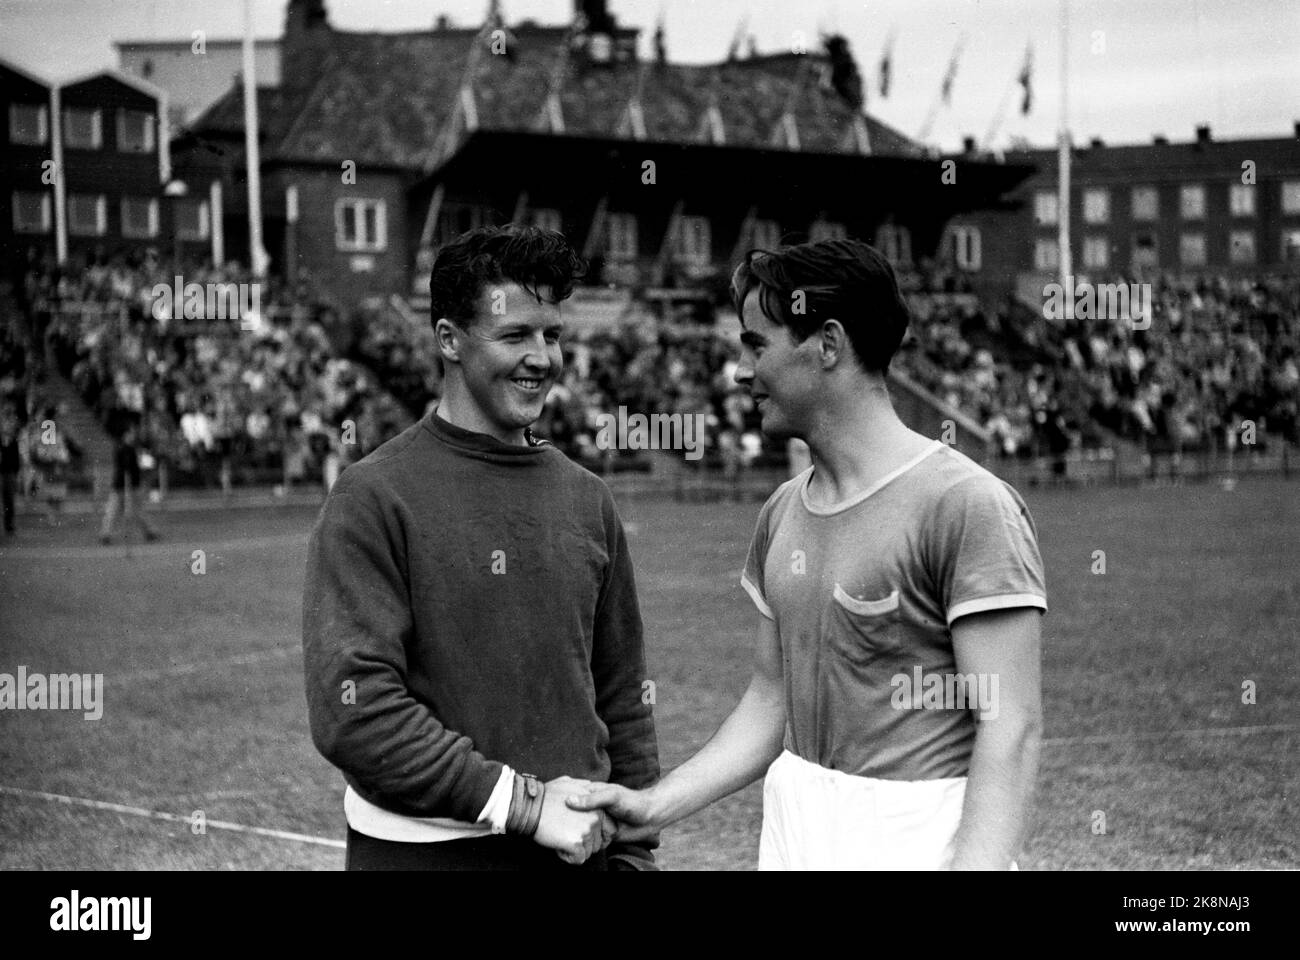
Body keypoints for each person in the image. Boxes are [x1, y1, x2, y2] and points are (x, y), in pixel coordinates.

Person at [571, 239, 1046, 870]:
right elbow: (771, 700)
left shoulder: (967, 505)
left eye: (755, 344)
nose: (739, 371)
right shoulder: (782, 511)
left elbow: (1008, 727)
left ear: (827, 344)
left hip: (916, 837)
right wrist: (654, 804)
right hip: (798, 824)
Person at [302, 225, 660, 871]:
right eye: (515, 334)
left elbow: (624, 697)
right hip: (424, 854)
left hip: (580, 853)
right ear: (448, 340)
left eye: (552, 335)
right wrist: (520, 803)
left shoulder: (589, 499)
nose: (543, 357)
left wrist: (634, 854)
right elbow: (353, 710)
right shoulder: (372, 496)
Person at [100, 409, 159, 545]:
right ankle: (105, 534)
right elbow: (126, 467)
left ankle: (149, 532)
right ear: (126, 434)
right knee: (115, 511)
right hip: (124, 484)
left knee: (133, 510)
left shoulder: (130, 448)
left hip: (130, 484)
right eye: (131, 432)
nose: (134, 434)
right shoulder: (124, 448)